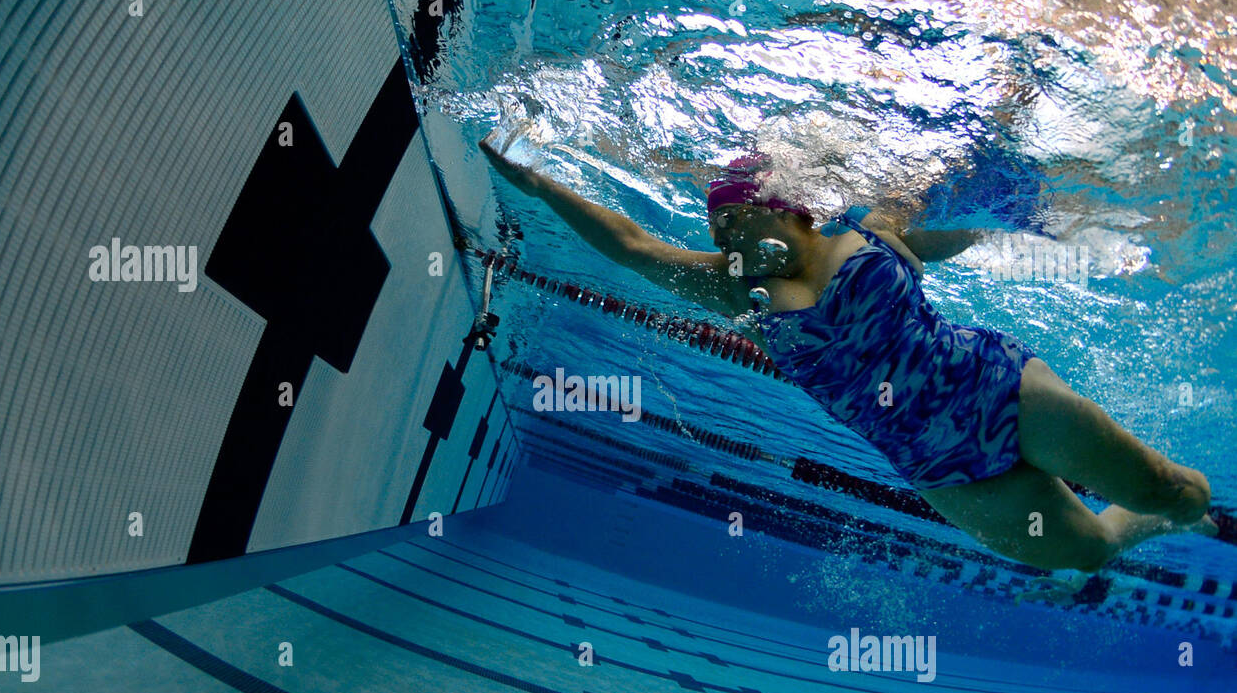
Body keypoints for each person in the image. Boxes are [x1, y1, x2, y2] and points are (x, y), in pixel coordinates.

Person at [479, 133, 1217, 573]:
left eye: (729, 224)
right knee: (1087, 552)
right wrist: (539, 181)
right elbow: (634, 245)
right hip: (940, 469)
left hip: (1001, 395)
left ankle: (1181, 506)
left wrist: (1017, 187)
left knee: (1176, 489)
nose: (722, 245)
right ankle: (1162, 522)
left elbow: (965, 203)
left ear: (780, 205)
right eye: (716, 236)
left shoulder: (867, 228)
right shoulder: (740, 291)